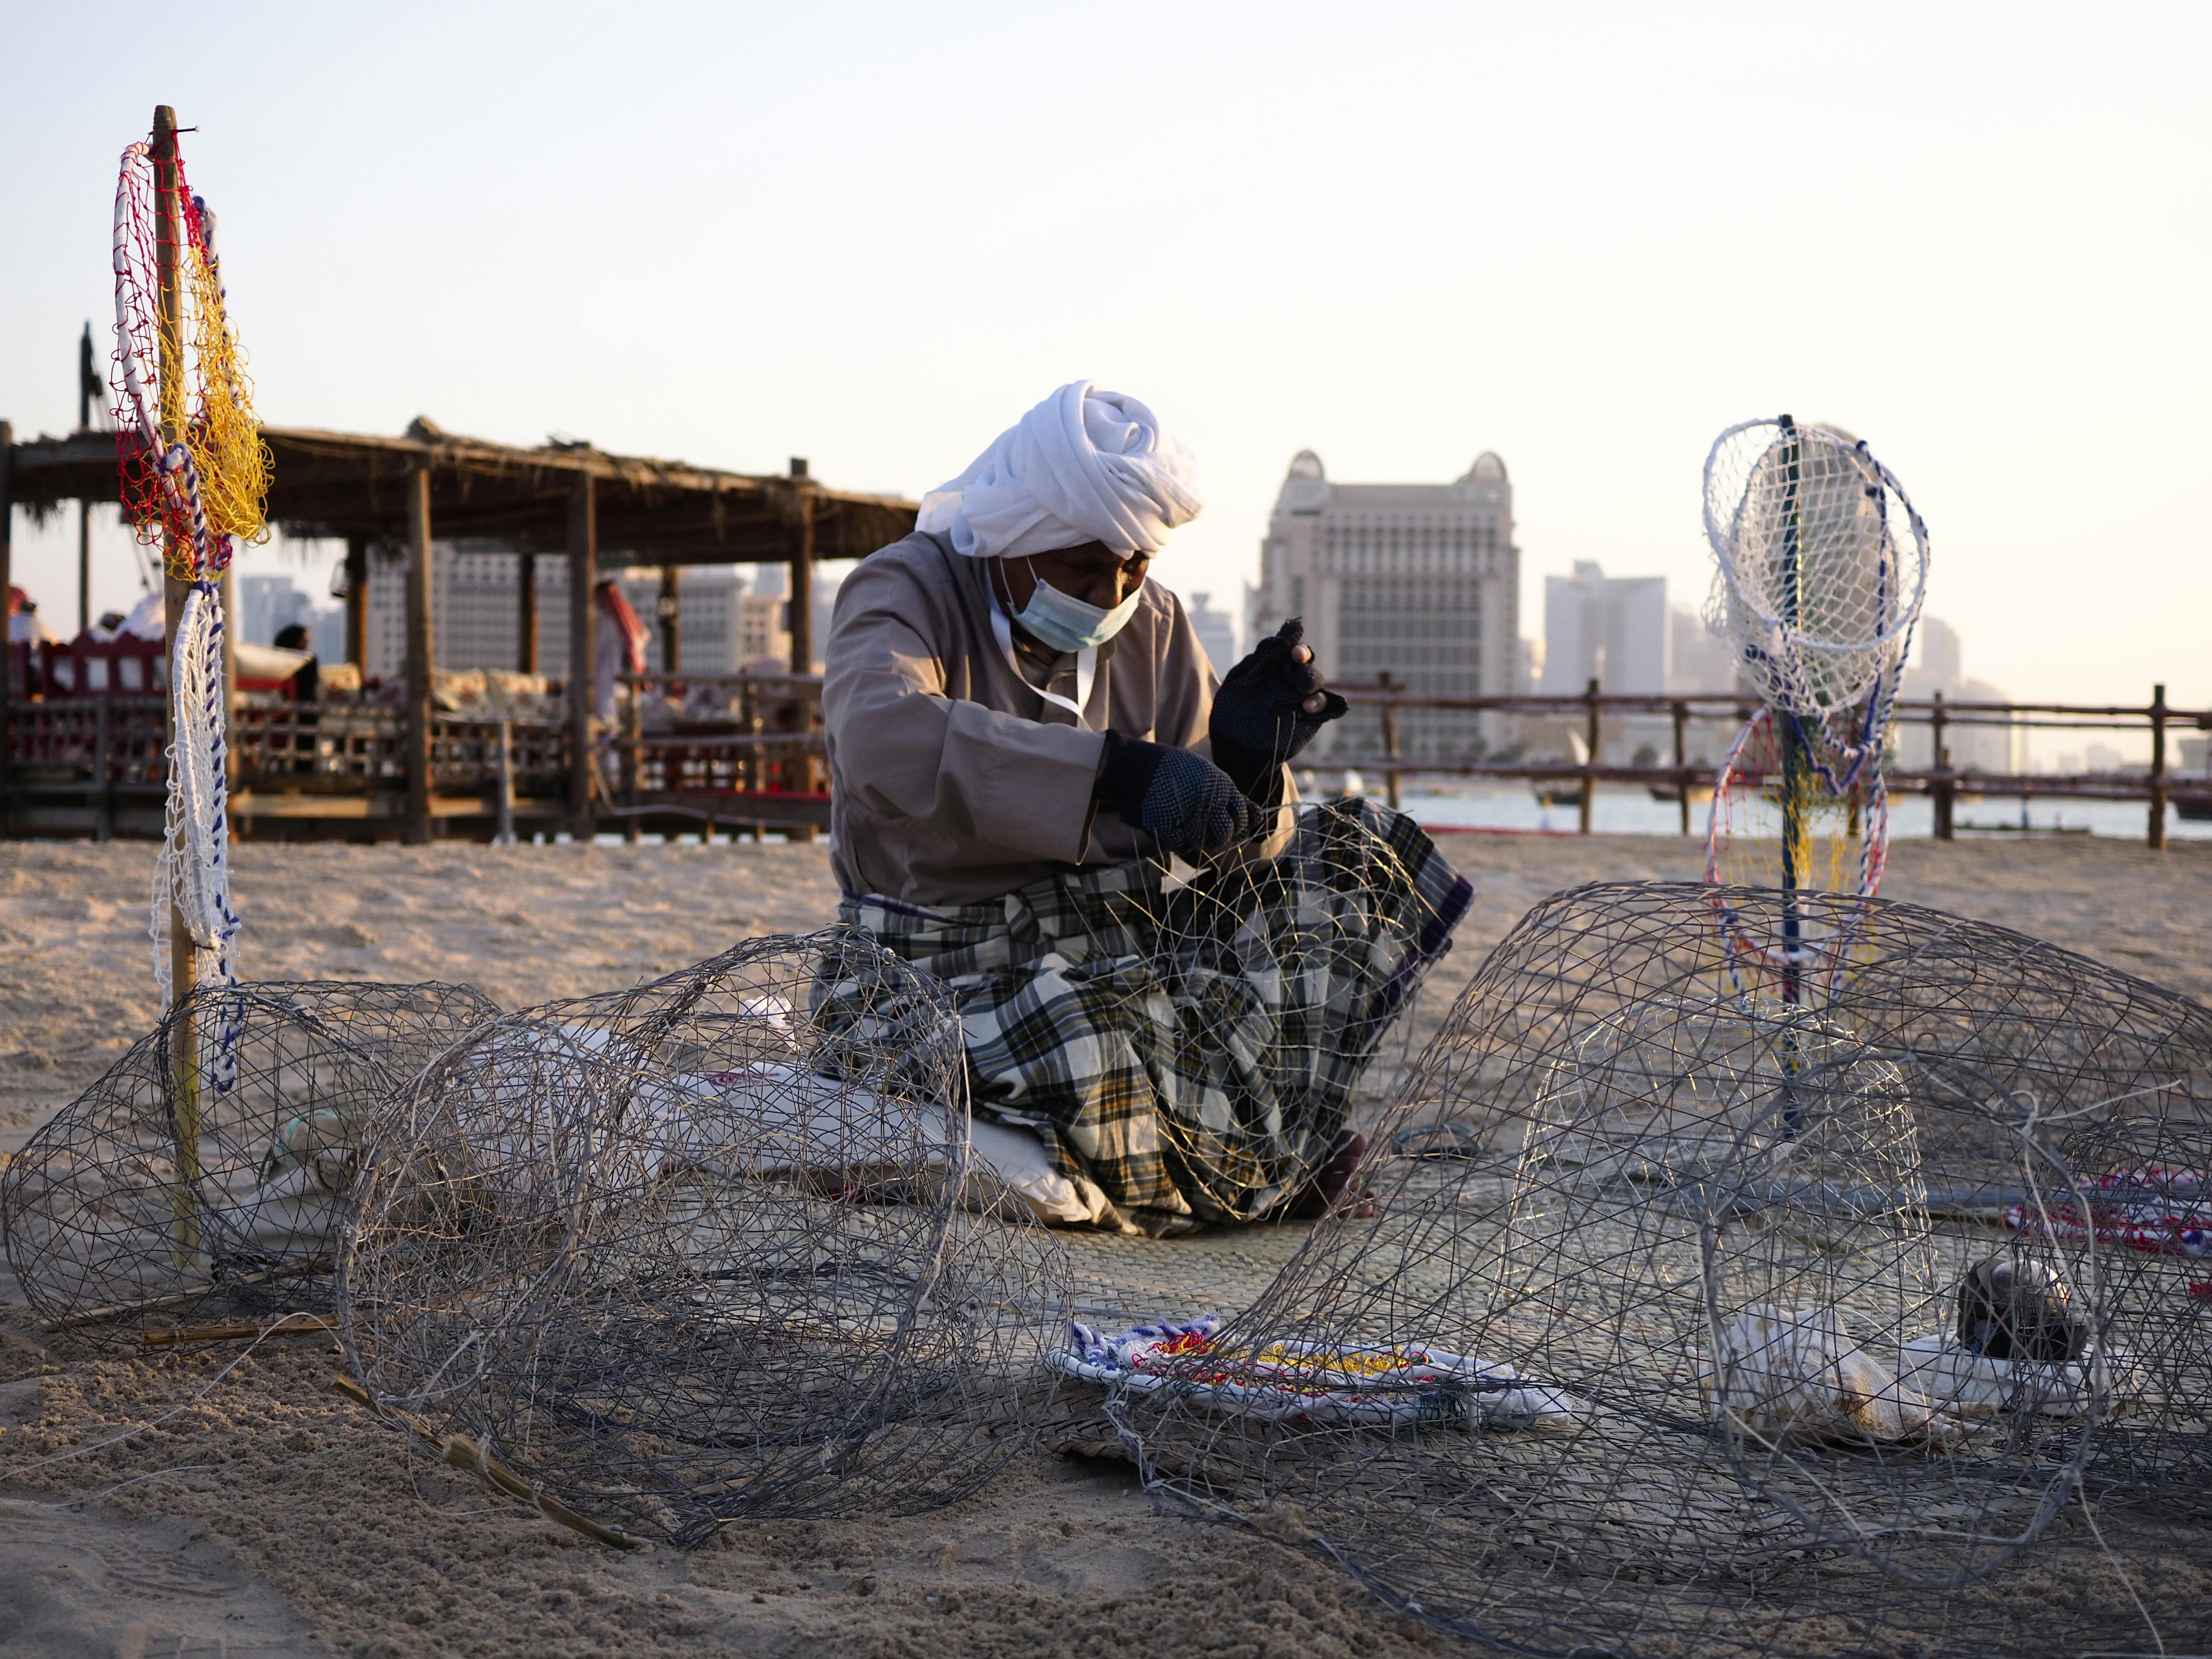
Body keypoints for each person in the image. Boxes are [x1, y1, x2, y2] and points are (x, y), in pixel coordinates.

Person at [821, 383, 1473, 1234]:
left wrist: (1248, 768)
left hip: (1127, 944)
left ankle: (1250, 1152)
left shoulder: (1153, 621)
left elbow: (1233, 851)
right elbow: (881, 739)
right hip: (945, 956)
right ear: (1017, 534)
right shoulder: (905, 587)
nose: (1110, 590)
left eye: (1134, 565)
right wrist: (1110, 773)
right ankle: (1262, 1174)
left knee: (1360, 849)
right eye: (1083, 567)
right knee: (1080, 1038)